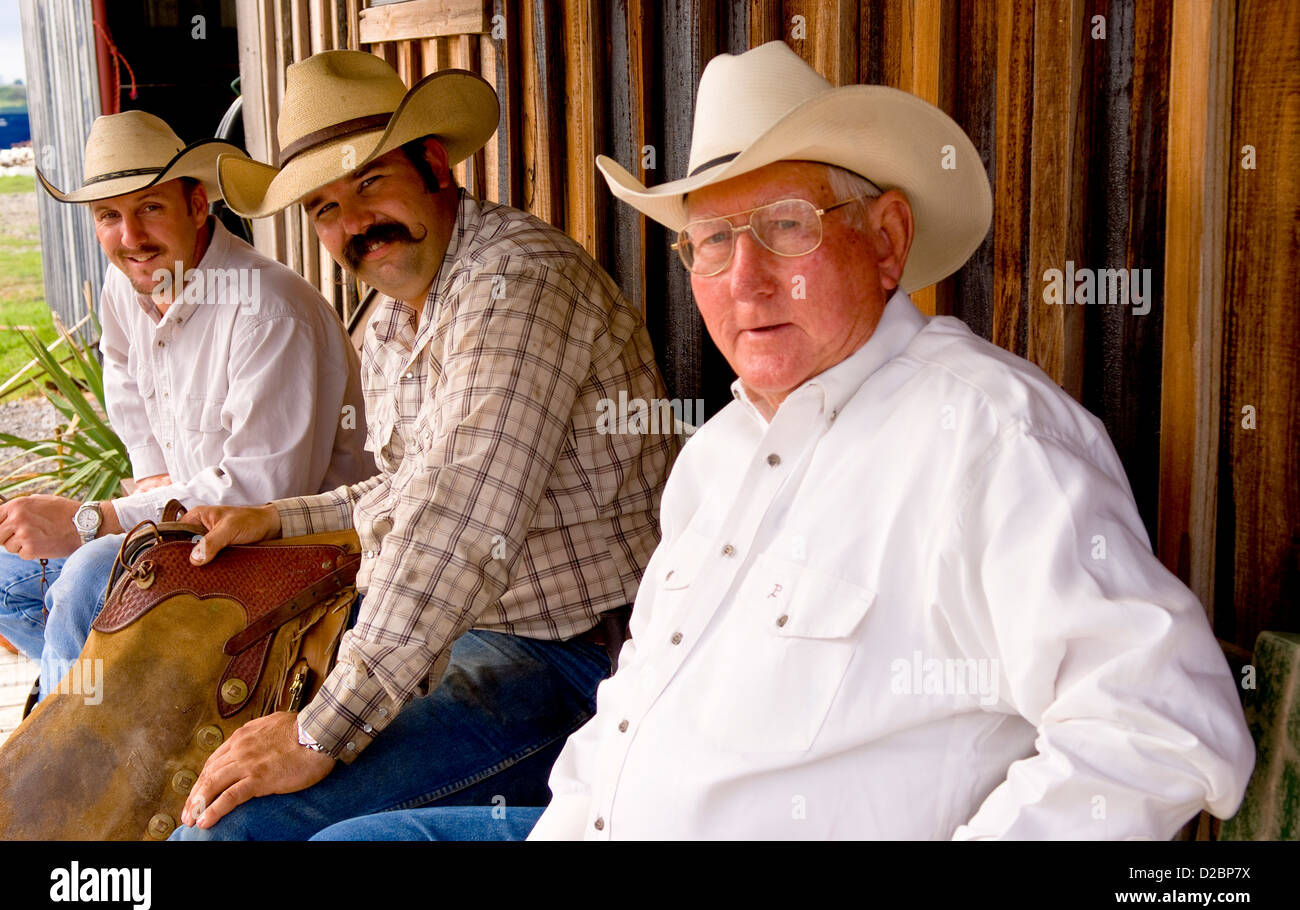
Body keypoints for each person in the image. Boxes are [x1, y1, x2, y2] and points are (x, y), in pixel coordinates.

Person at [313, 40, 1254, 842]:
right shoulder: (718, 456)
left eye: (787, 228)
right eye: (712, 242)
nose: (746, 279)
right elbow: (626, 720)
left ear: (887, 239)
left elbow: (1162, 725)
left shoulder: (988, 436)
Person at [167, 50, 675, 840]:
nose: (355, 224)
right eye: (326, 209)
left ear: (434, 164)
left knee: (242, 826)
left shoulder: (518, 283)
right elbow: (414, 482)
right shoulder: (396, 316)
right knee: (184, 745)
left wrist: (318, 730)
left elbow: (458, 517)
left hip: (575, 665)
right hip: (472, 641)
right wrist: (281, 518)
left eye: (371, 183)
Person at [0, 110, 370, 698]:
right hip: (191, 540)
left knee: (89, 572)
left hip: (296, 559)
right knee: (5, 571)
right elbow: (123, 378)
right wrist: (152, 478)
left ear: (198, 204)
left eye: (150, 207)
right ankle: (123, 701)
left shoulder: (267, 310)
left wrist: (94, 521)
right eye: (108, 216)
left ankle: (73, 753)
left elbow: (261, 494)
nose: (130, 238)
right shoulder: (129, 287)